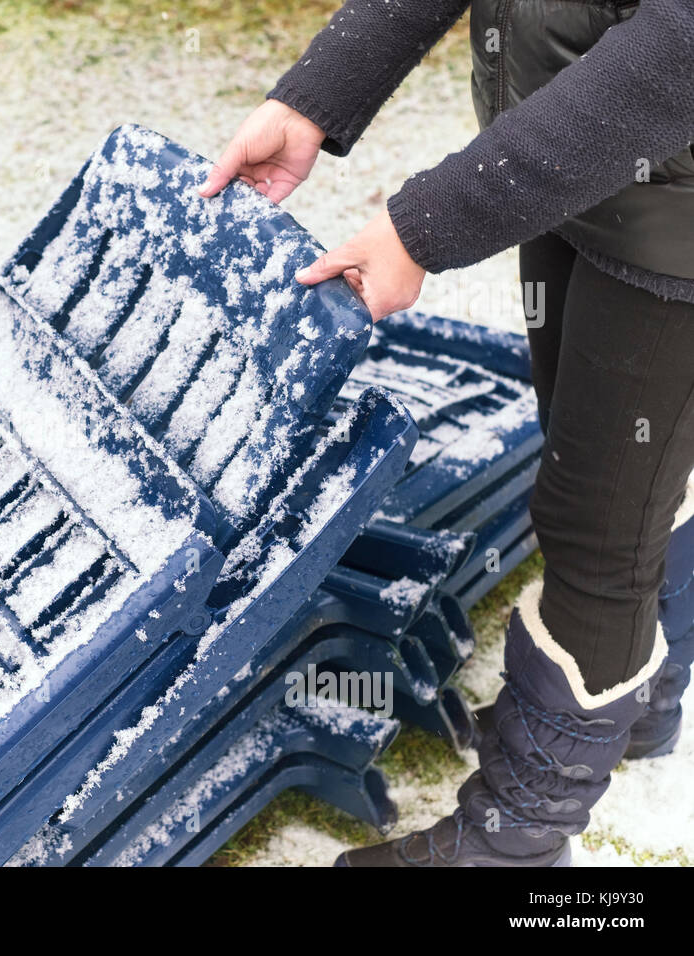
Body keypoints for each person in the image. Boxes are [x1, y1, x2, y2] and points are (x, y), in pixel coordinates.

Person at [200, 0, 694, 866]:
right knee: (600, 458)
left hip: (680, 220)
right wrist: (317, 95)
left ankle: (513, 845)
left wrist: (423, 226)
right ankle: (638, 699)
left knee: (595, 529)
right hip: (575, 164)